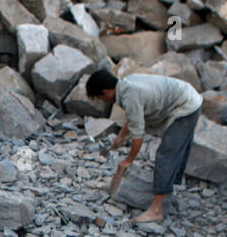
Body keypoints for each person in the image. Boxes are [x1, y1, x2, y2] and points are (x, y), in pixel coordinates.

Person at [87, 68, 203, 224]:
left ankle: (157, 209)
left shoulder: (129, 96)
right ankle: (167, 190)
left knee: (166, 154)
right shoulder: (127, 82)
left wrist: (129, 160)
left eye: (101, 97)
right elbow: (135, 114)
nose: (104, 101)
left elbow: (138, 136)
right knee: (175, 150)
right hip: (186, 95)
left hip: (185, 106)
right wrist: (121, 136)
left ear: (106, 92)